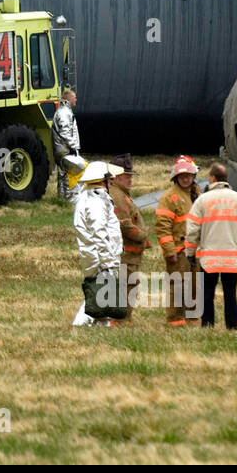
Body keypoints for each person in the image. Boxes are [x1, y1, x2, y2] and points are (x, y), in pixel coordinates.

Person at [185, 162, 237, 329]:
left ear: (212, 178)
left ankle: (208, 325)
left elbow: (192, 229)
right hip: (231, 258)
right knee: (230, 294)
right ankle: (232, 326)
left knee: (207, 294)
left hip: (209, 258)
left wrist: (190, 252)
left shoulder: (202, 201)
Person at [71, 161, 126, 327]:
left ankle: (103, 327)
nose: (111, 184)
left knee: (104, 295)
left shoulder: (91, 197)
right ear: (102, 181)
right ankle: (80, 324)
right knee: (97, 294)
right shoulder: (96, 201)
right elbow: (99, 232)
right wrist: (107, 260)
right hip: (100, 256)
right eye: (109, 181)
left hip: (96, 254)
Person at [156, 155, 200, 325]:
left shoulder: (196, 194)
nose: (185, 178)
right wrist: (169, 250)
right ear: (176, 177)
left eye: (188, 175)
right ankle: (175, 318)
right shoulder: (169, 197)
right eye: (182, 176)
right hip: (179, 251)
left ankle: (193, 316)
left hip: (195, 250)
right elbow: (162, 227)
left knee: (196, 285)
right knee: (178, 286)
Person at [108, 153, 147, 322]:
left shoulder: (121, 193)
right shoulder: (117, 196)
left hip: (129, 254)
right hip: (126, 254)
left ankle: (122, 319)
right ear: (116, 177)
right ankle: (120, 320)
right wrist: (142, 235)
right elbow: (124, 224)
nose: (130, 180)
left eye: (130, 176)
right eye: (126, 176)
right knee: (126, 286)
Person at [52, 86, 83, 201]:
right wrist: (73, 147)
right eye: (74, 98)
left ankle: (61, 199)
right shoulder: (64, 113)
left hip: (61, 148)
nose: (76, 100)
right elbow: (65, 131)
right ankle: (71, 199)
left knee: (62, 174)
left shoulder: (63, 111)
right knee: (70, 174)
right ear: (69, 99)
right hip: (65, 149)